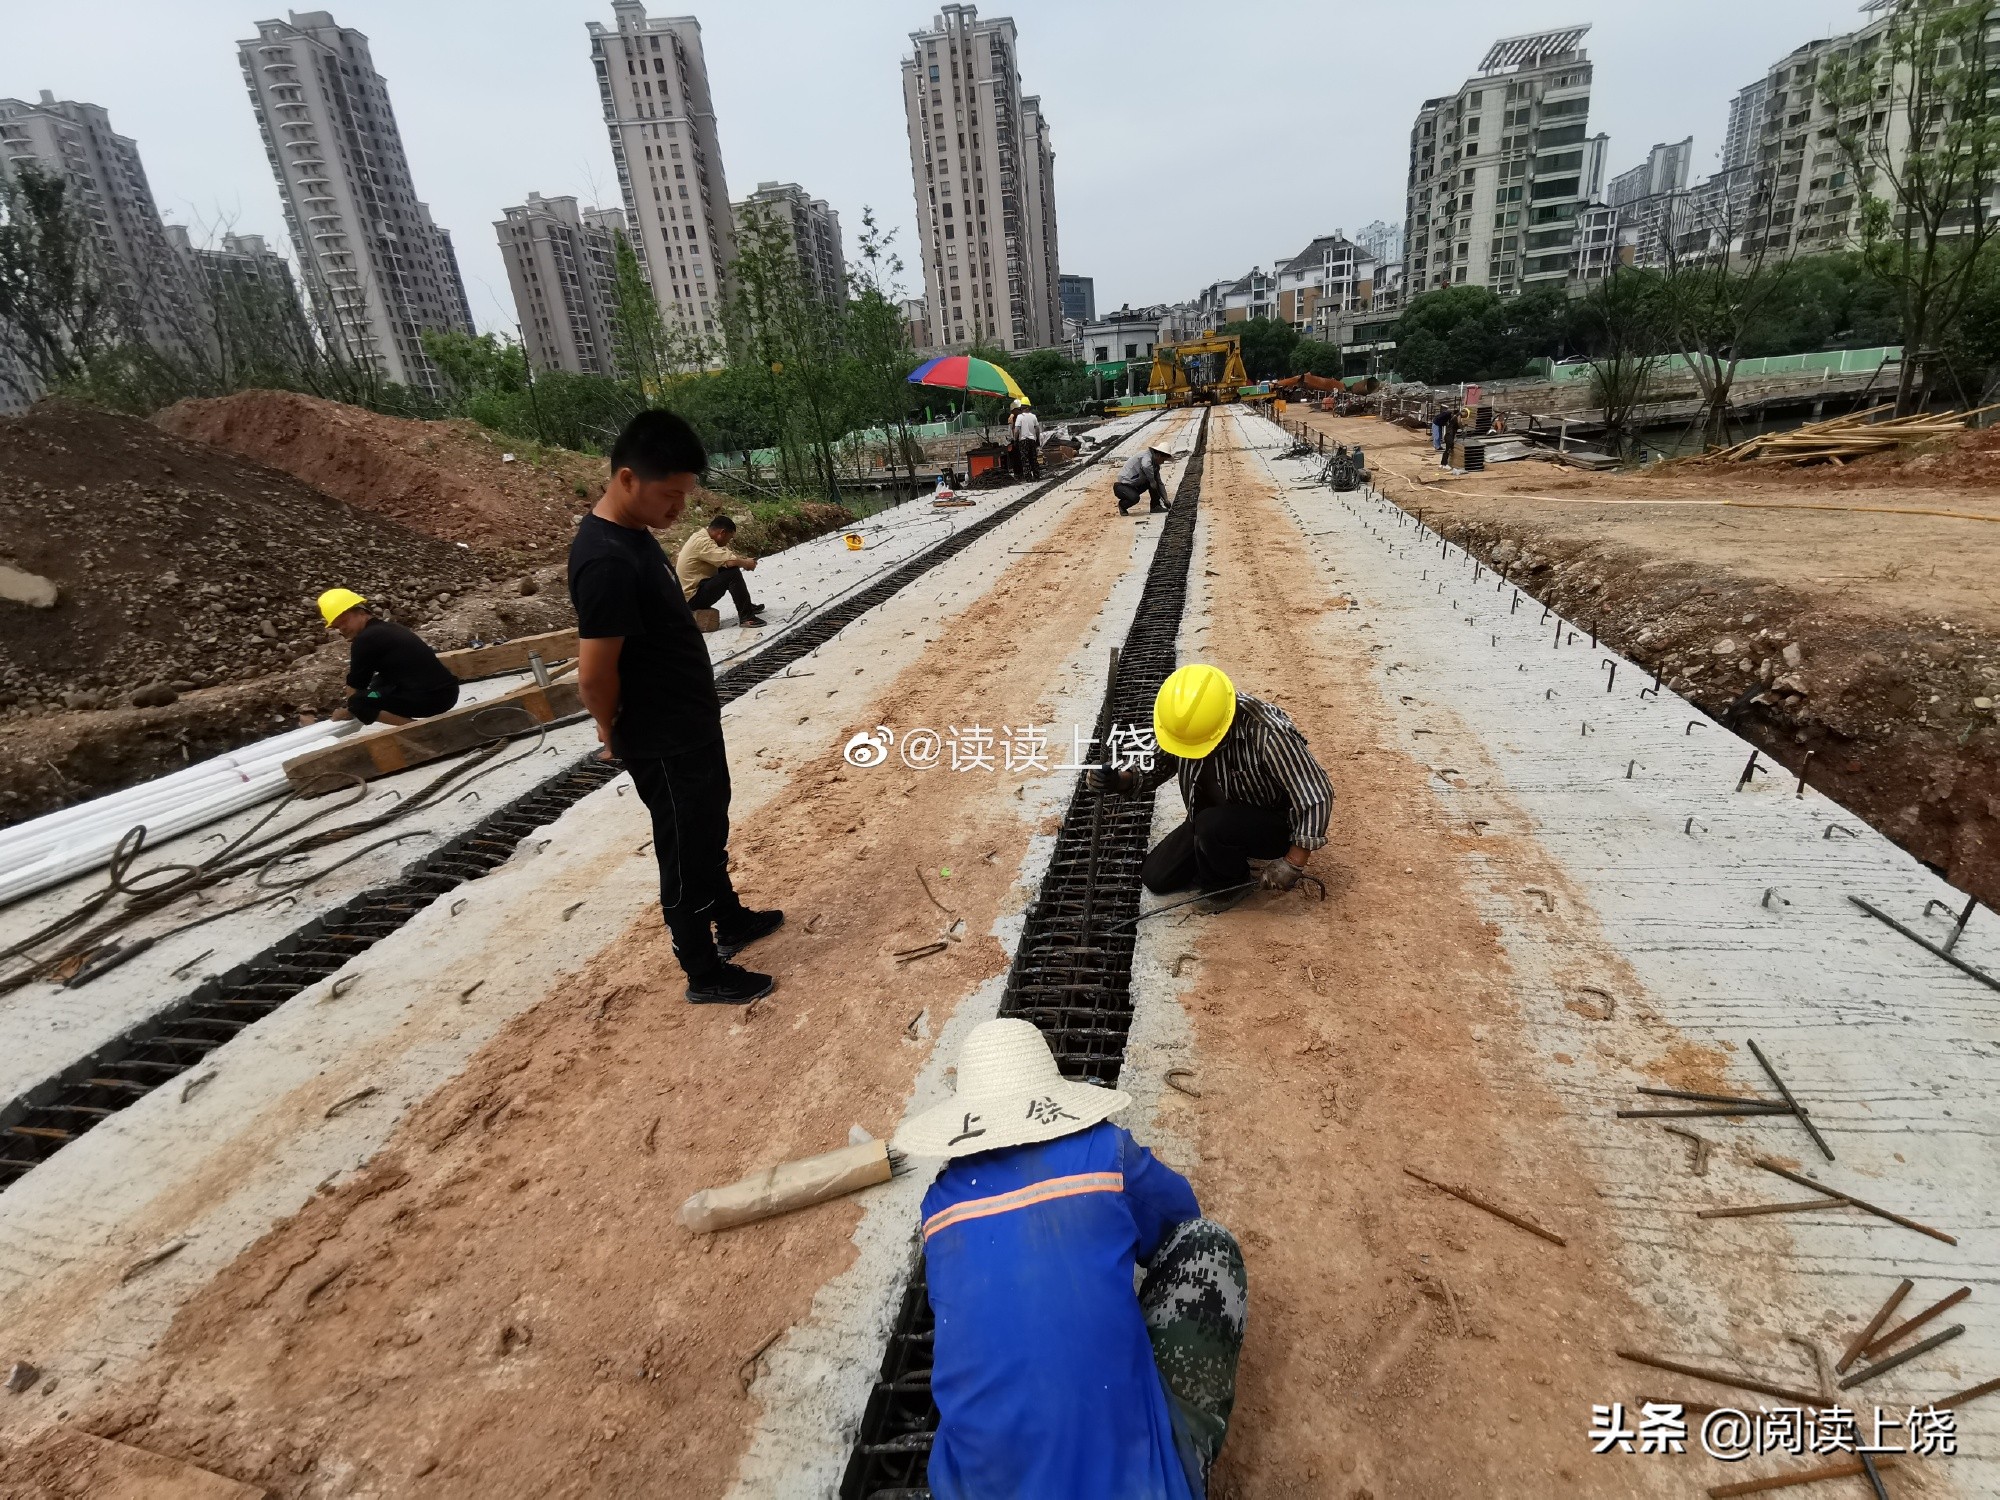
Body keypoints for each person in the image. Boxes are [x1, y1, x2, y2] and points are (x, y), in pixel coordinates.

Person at [894, 1017, 1247, 1500]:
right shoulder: (1104, 1151)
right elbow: (1181, 1219)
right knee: (1208, 1246)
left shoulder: (939, 1206)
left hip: (973, 1487)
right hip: (1144, 1487)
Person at [568, 410, 782, 1005]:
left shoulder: (635, 538)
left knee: (708, 824)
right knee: (684, 848)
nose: (678, 509)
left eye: (685, 495)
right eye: (670, 494)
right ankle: (703, 970)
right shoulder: (605, 559)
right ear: (629, 479)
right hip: (660, 734)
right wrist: (610, 729)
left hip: (689, 721)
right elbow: (594, 673)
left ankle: (730, 918)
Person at [1089, 664, 1333, 909]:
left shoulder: (1267, 732)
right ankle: (1220, 852)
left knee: (1213, 826)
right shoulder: (1182, 724)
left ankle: (1230, 884)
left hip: (1269, 824)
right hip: (1209, 817)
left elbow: (1316, 794)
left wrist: (1293, 862)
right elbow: (1155, 767)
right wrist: (1119, 780)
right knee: (1157, 877)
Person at [317, 588, 460, 726]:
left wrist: (350, 711)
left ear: (361, 613)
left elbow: (355, 688)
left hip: (430, 700)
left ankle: (422, 732)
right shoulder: (389, 628)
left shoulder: (365, 640)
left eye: (344, 621)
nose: (342, 629)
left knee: (358, 701)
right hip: (446, 692)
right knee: (376, 686)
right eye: (337, 627)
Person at [676, 514, 765, 628]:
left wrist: (743, 561)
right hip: (692, 599)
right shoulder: (702, 543)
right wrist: (746, 563)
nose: (728, 541)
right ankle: (747, 617)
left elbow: (726, 556)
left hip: (695, 590)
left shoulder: (702, 537)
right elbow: (729, 561)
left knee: (728, 567)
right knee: (732, 573)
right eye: (729, 537)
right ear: (722, 533)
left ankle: (747, 606)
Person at [1114, 446, 1176, 515]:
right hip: (1123, 486)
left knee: (1155, 482)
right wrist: (1152, 481)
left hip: (1136, 484)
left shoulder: (1155, 465)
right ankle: (1122, 505)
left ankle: (1155, 506)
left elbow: (1159, 482)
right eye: (1163, 460)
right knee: (1134, 498)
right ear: (1158, 456)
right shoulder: (1146, 457)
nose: (1163, 462)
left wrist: (1165, 499)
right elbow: (1146, 466)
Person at [1009, 399, 1042, 479]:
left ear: (1022, 408)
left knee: (1025, 459)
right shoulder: (1033, 416)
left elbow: (1016, 430)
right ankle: (1037, 475)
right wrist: (1037, 439)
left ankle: (1028, 477)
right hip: (1032, 440)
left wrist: (1015, 440)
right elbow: (1037, 429)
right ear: (1028, 407)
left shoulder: (1020, 417)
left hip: (1023, 441)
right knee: (1033, 458)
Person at [1439, 403, 1461, 469]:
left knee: (1448, 450)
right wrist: (1462, 428)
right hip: (1449, 436)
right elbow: (1459, 423)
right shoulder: (1457, 416)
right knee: (1448, 450)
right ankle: (1444, 464)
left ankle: (1443, 463)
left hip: (1448, 435)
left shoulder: (1452, 418)